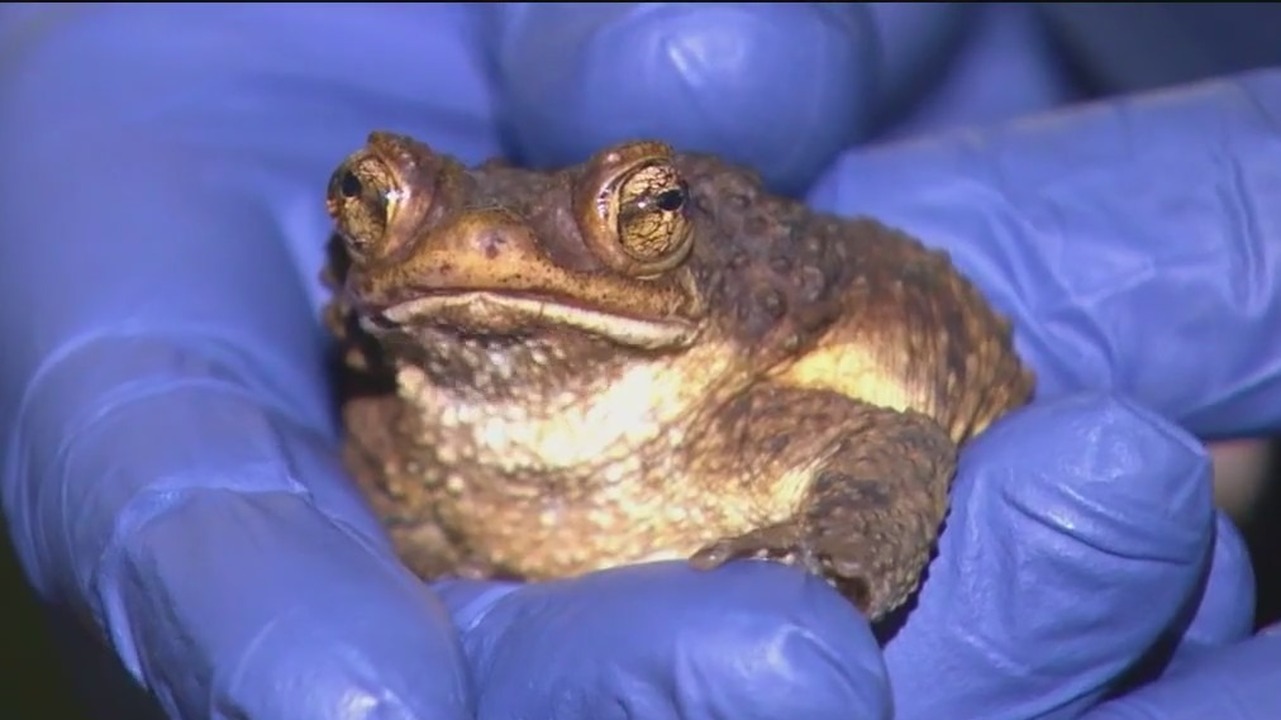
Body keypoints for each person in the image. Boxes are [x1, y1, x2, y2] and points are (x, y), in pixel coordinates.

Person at [1, 4, 1278, 718]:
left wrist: (831, 570)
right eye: (373, 204)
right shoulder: (391, 415)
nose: (487, 251)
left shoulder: (756, 391)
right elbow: (360, 533)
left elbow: (889, 447)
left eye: (643, 214)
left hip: (749, 382)